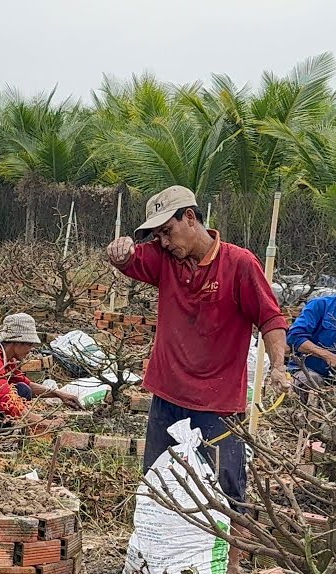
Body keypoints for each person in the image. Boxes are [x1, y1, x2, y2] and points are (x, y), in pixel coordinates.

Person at [105, 185, 291, 511]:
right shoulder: (165, 259)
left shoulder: (239, 264)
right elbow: (131, 258)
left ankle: (229, 545)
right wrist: (120, 251)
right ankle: (162, 539)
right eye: (157, 236)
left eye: (167, 231)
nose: (163, 242)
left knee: (226, 487)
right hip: (167, 396)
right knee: (158, 482)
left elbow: (270, 318)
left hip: (217, 402)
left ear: (190, 217)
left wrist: (278, 366)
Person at [0, 313, 81, 440]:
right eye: (29, 345)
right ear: (17, 342)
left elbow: (26, 384)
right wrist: (43, 422)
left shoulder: (6, 357)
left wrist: (58, 394)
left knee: (23, 389)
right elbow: (5, 400)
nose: (30, 350)